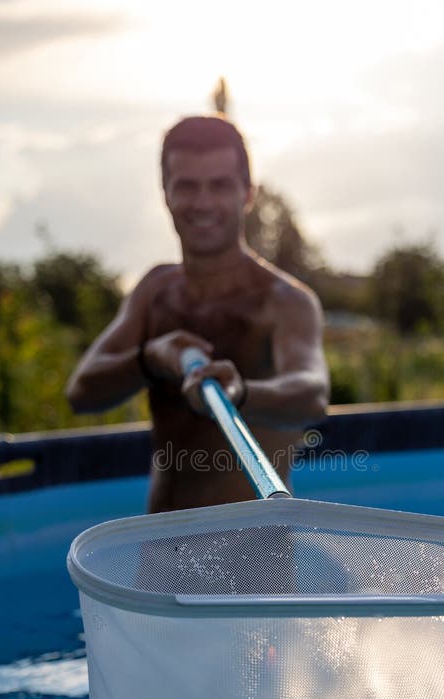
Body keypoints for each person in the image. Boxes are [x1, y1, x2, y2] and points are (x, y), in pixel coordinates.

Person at [66, 115, 329, 512]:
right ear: (166, 194)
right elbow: (81, 392)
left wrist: (241, 393)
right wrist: (150, 360)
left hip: (254, 546)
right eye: (187, 186)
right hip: (160, 544)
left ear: (247, 193)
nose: (203, 203)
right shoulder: (154, 290)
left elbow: (311, 393)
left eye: (219, 185)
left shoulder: (284, 300)